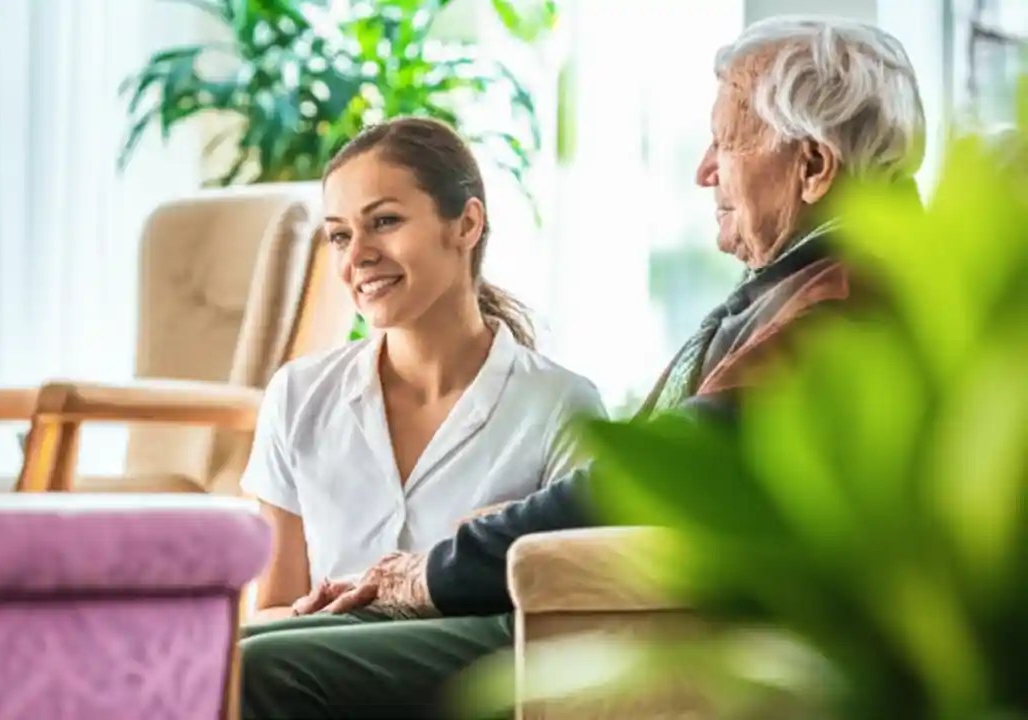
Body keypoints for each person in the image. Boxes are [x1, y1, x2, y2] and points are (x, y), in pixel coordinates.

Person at [240, 15, 927, 718]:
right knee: (254, 647)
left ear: (812, 167)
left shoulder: (839, 302)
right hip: (607, 614)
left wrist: (433, 570)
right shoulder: (802, 286)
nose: (704, 170)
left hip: (634, 633)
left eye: (726, 140)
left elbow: (652, 472)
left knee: (262, 667)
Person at [240, 117, 605, 622]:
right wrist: (307, 622)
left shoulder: (559, 406)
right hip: (314, 684)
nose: (359, 256)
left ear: (466, 225)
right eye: (341, 236)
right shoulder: (298, 395)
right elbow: (273, 608)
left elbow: (575, 610)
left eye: (385, 222)